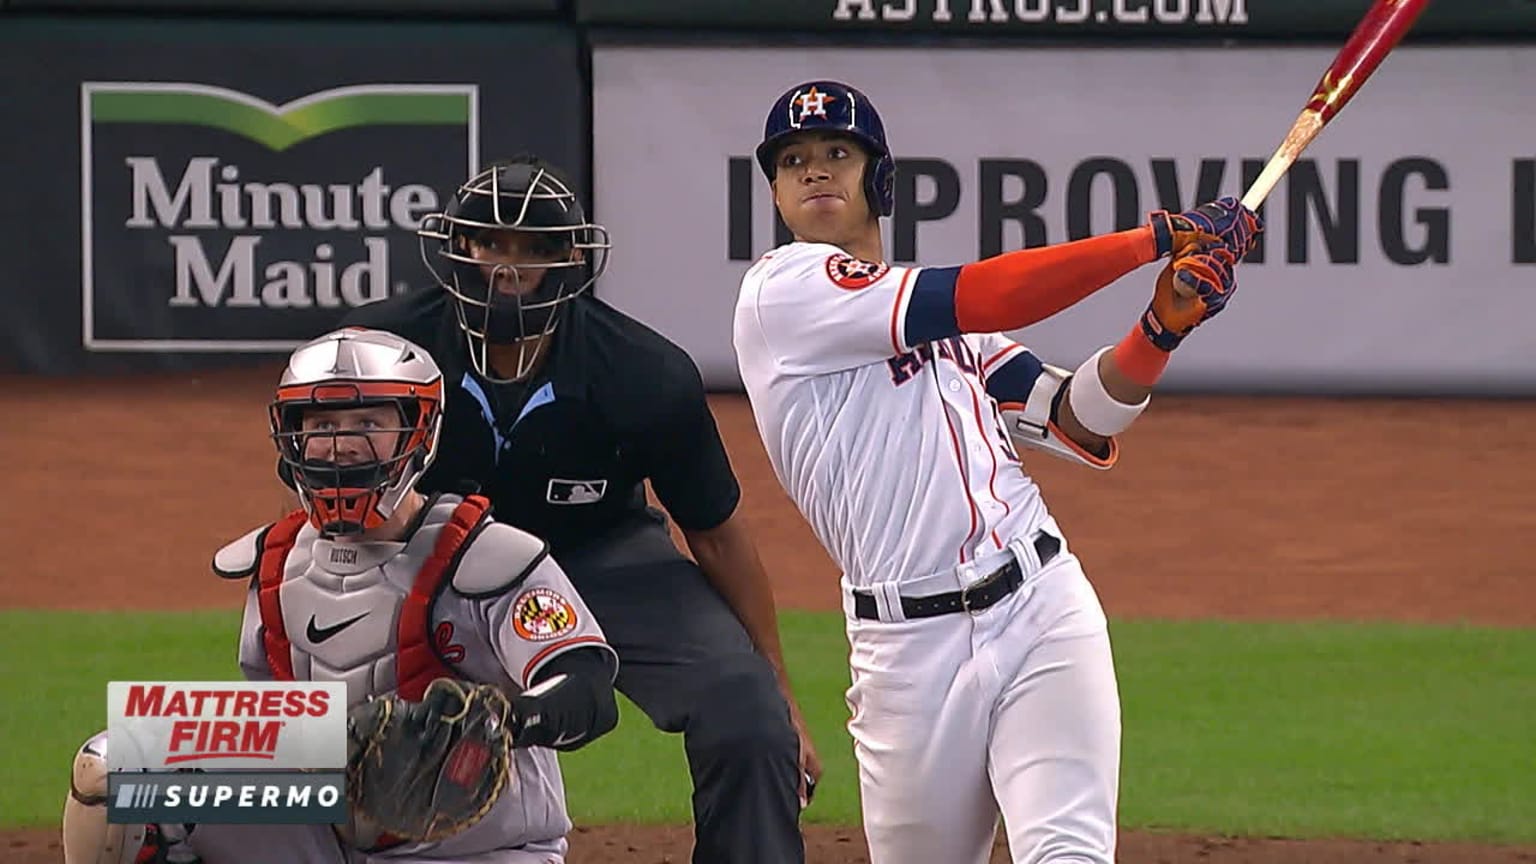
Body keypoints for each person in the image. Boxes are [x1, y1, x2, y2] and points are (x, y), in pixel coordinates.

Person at [733, 80, 1262, 864]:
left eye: (838, 154)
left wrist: (1160, 328)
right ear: (774, 191)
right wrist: (1154, 239)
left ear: (877, 180)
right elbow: (984, 294)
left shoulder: (955, 335)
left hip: (1039, 606)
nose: (815, 171)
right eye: (795, 160)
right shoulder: (783, 293)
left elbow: (1079, 421)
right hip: (904, 653)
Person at [337, 153, 816, 863]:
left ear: (569, 260)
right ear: (457, 247)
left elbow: (716, 537)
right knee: (348, 709)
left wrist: (777, 689)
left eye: (534, 249)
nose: (507, 266)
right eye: (489, 243)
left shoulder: (642, 372)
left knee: (744, 711)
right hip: (435, 564)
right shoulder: (383, 351)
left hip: (604, 559)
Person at [62, 327, 620, 864]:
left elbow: (590, 688)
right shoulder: (276, 564)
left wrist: (507, 719)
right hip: (328, 839)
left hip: (477, 850)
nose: (342, 444)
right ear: (292, 435)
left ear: (418, 432)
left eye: (367, 421)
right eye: (322, 424)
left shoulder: (487, 558)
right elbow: (277, 730)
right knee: (118, 771)